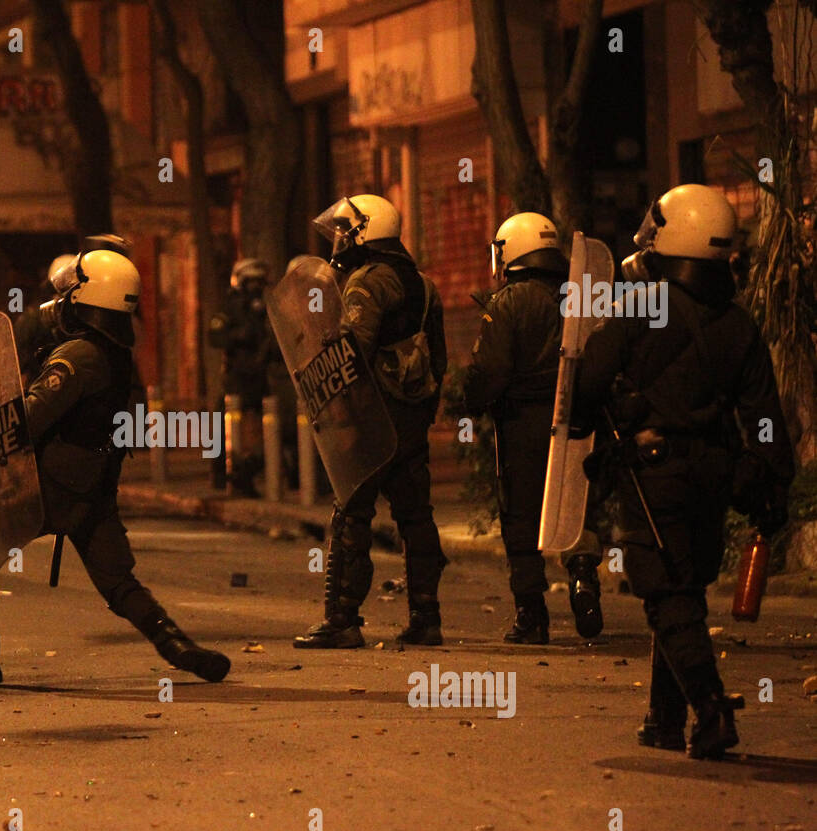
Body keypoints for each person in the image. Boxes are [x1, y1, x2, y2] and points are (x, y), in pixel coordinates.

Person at [0, 249, 231, 687]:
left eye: (71, 293)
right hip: (95, 490)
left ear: (86, 299)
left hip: (50, 487)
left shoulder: (78, 355)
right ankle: (177, 646)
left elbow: (30, 419)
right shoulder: (116, 355)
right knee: (118, 582)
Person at [572, 183, 793, 758]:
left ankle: (711, 709)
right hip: (716, 476)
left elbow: (586, 384)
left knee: (666, 593)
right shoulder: (739, 326)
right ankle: (664, 720)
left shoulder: (642, 307)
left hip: (655, 473)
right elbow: (765, 420)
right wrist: (768, 483)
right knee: (684, 588)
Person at [295, 194, 448, 649]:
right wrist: (422, 415)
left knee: (351, 516)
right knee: (416, 517)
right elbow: (439, 359)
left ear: (365, 232)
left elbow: (353, 353)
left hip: (371, 417)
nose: (339, 238)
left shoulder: (366, 282)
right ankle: (426, 617)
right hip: (411, 417)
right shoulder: (425, 284)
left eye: (345, 229)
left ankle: (342, 619)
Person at [464, 212, 604, 644]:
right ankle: (583, 578)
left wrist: (470, 401)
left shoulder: (508, 302)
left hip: (522, 423)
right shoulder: (579, 295)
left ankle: (531, 615)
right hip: (577, 417)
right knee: (574, 502)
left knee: (522, 514)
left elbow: (490, 370)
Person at [208, 258, 273, 496]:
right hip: (236, 378)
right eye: (252, 282)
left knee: (270, 430)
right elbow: (215, 336)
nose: (256, 287)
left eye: (260, 282)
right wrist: (238, 335)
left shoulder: (268, 307)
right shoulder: (231, 306)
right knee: (221, 427)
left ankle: (246, 474)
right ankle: (224, 476)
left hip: (259, 376)